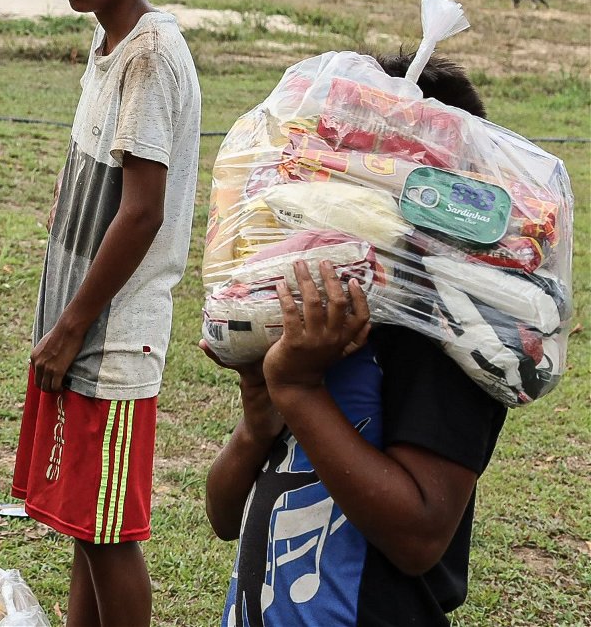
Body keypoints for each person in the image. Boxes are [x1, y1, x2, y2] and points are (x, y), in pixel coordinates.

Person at [203, 53, 508, 627]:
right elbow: (225, 518)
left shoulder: (446, 333)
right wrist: (256, 424)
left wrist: (296, 388)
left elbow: (420, 537)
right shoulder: (318, 308)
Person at [11, 0, 203, 627]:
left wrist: (71, 325)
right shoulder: (110, 41)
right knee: (84, 527)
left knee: (110, 534)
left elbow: (143, 212)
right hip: (80, 322)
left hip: (112, 335)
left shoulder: (151, 56)